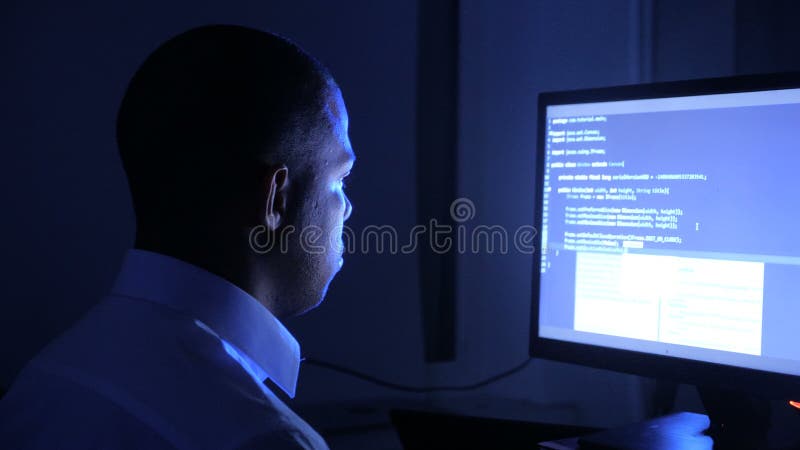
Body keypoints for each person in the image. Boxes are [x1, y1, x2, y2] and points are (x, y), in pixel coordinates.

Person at [0, 24, 354, 449]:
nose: (348, 208)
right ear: (275, 199)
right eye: (341, 180)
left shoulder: (40, 382)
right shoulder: (268, 438)